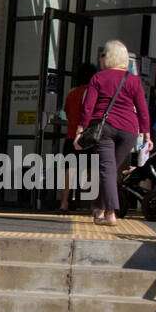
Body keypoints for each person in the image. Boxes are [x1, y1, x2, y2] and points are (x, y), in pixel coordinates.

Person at [74, 40, 151, 227]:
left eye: (102, 55)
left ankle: (111, 213)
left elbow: (88, 107)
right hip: (129, 131)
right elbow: (142, 109)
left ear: (108, 57)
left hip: (105, 128)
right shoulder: (133, 79)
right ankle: (100, 210)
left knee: (107, 170)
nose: (100, 59)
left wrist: (80, 129)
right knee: (111, 171)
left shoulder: (98, 78)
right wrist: (147, 135)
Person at [58, 63, 95, 211]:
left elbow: (66, 113)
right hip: (88, 138)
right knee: (91, 170)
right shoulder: (94, 93)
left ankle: (64, 202)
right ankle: (93, 204)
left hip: (70, 137)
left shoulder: (72, 94)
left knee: (69, 170)